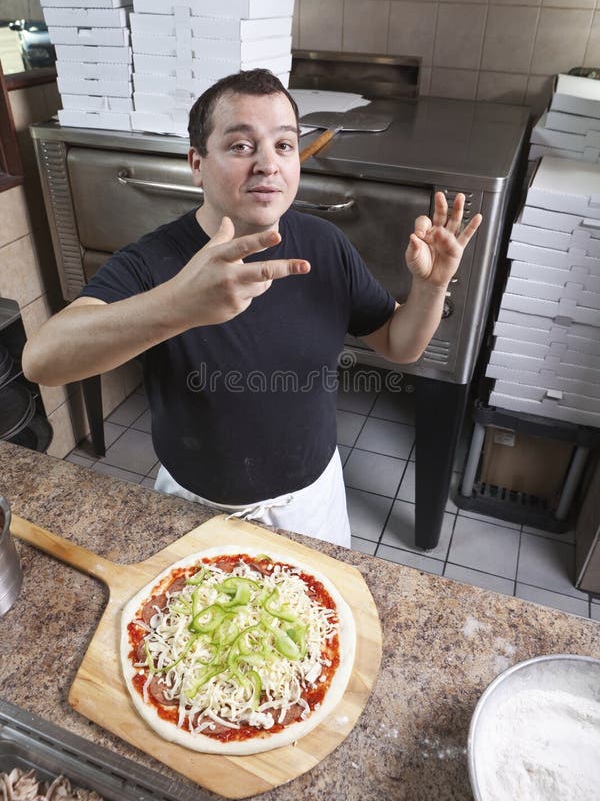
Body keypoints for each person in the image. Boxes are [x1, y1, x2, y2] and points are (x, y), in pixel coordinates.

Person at [23, 69, 482, 548]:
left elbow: (398, 344)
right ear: (197, 163)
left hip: (311, 504)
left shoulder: (325, 244)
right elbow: (42, 361)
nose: (268, 164)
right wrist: (178, 305)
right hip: (194, 509)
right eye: (241, 146)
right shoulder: (154, 260)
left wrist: (430, 288)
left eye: (284, 145)